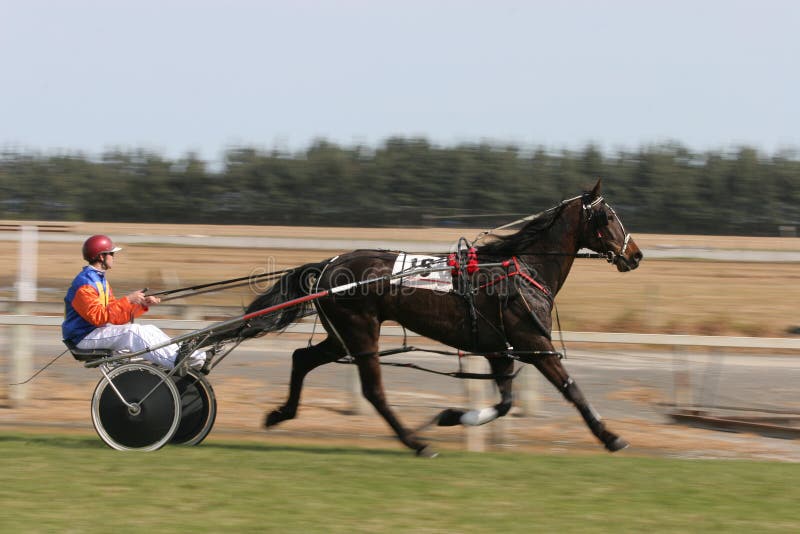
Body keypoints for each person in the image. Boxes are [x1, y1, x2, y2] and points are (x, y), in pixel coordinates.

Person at [62, 234, 205, 370]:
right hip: (82, 338)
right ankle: (177, 363)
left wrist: (141, 304)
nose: (113, 257)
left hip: (96, 332)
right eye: (111, 254)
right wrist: (128, 299)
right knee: (133, 332)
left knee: (149, 329)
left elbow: (115, 317)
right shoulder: (85, 283)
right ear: (101, 256)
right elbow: (98, 317)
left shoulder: (100, 280)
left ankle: (197, 357)